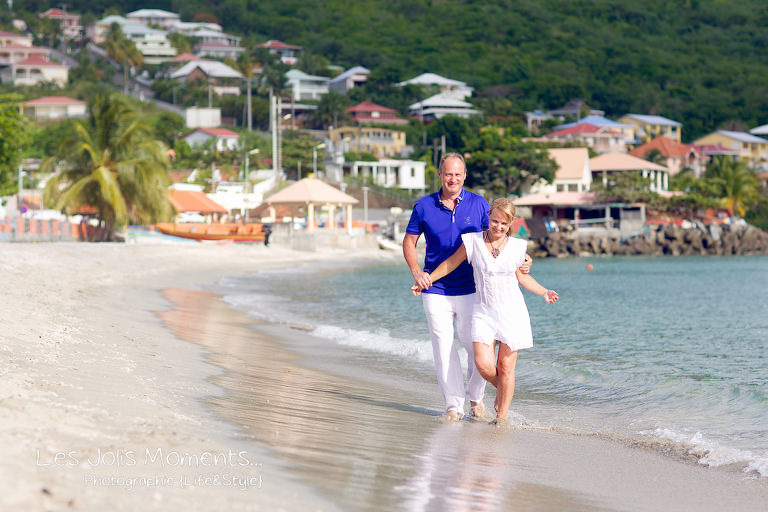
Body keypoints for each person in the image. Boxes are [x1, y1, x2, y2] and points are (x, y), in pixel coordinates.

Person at [403, 154, 531, 421]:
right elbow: (409, 240)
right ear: (440, 174)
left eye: (458, 174)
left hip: (472, 290)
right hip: (435, 288)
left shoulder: (478, 203)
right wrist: (417, 273)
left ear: (465, 176)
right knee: (442, 346)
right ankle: (453, 405)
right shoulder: (424, 206)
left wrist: (522, 260)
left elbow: (498, 237)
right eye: (448, 174)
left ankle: (476, 397)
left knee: (476, 349)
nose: (453, 179)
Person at [412, 198, 558, 426]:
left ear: (510, 224)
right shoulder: (473, 242)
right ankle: (503, 390)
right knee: (483, 366)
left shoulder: (519, 247)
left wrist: (544, 292)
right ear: (487, 218)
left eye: (504, 223)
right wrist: (426, 280)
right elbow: (451, 264)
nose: (498, 227)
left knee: (507, 367)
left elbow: (523, 277)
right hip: (483, 312)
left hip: (512, 313)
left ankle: (501, 418)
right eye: (495, 221)